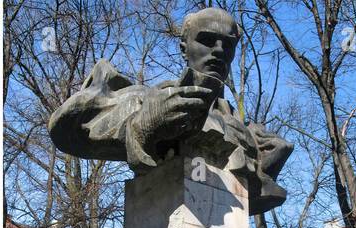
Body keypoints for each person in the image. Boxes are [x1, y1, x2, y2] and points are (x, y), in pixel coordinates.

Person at [48, 8, 292, 213]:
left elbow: (253, 193)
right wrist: (144, 126)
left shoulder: (245, 131)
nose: (218, 50)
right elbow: (68, 126)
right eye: (206, 40)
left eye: (227, 45)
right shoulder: (150, 99)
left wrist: (264, 165)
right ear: (184, 48)